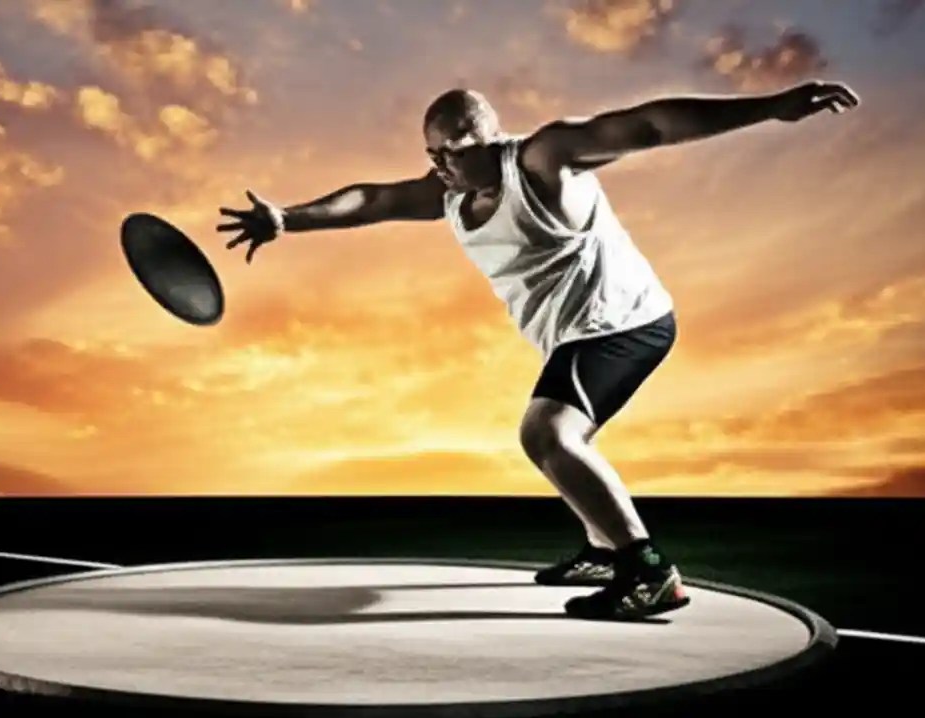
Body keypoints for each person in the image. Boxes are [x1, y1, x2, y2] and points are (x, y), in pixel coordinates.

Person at [216, 80, 859, 620]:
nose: (440, 164)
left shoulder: (543, 159)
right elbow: (375, 199)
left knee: (548, 434)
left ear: (489, 137)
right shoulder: (451, 192)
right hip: (576, 333)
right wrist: (288, 218)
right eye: (431, 152)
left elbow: (650, 126)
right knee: (565, 439)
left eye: (454, 149)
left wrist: (771, 106)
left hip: (624, 323)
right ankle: (601, 550)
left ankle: (647, 570)